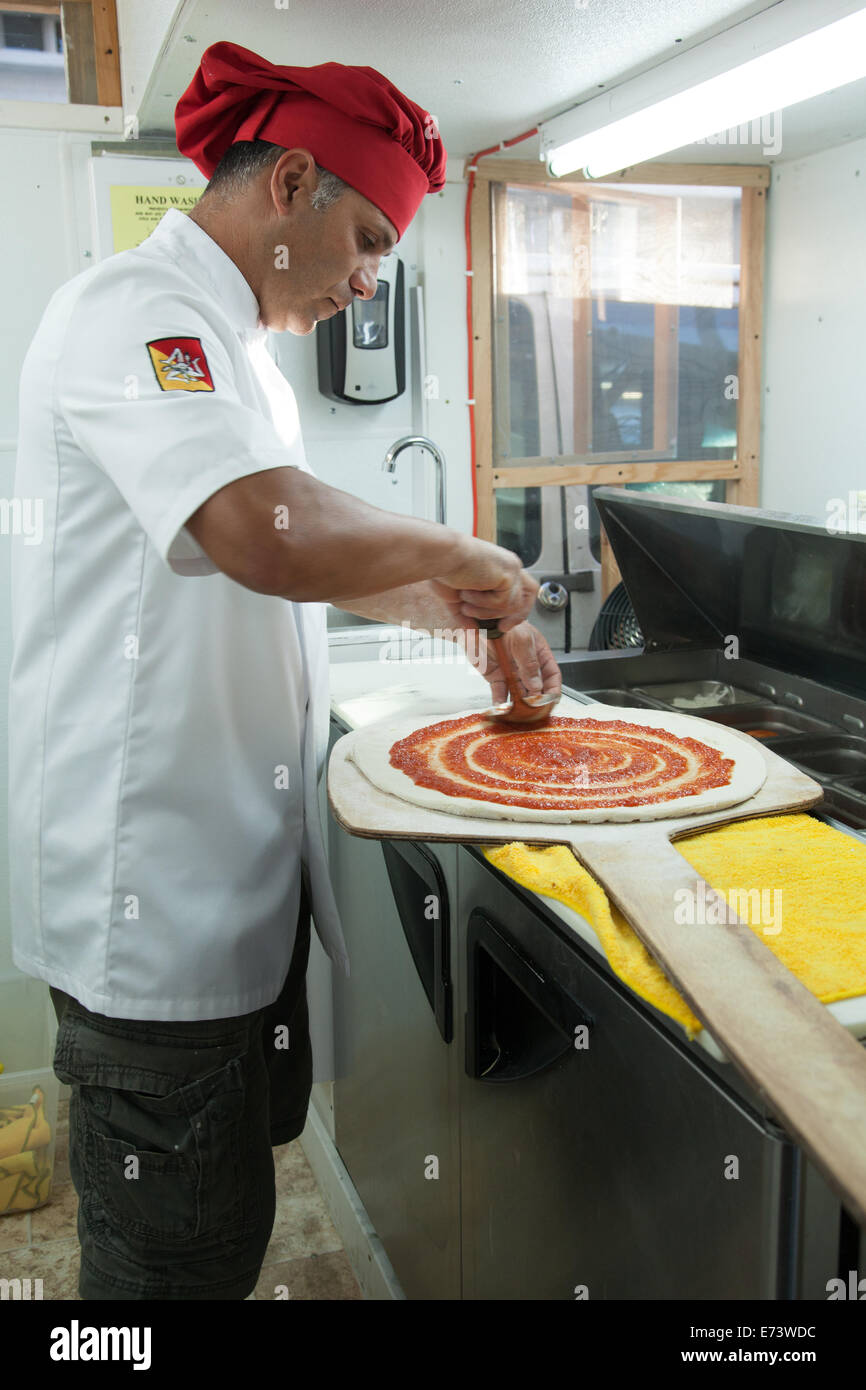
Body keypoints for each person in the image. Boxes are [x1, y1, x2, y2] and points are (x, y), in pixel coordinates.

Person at [7, 41, 561, 1300]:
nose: (369, 285)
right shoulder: (133, 314)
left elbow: (308, 556)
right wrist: (476, 549)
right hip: (151, 904)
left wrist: (467, 618)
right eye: (367, 241)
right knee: (169, 1269)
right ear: (290, 184)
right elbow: (266, 531)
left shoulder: (242, 349)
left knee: (219, 1224)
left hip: (229, 893)